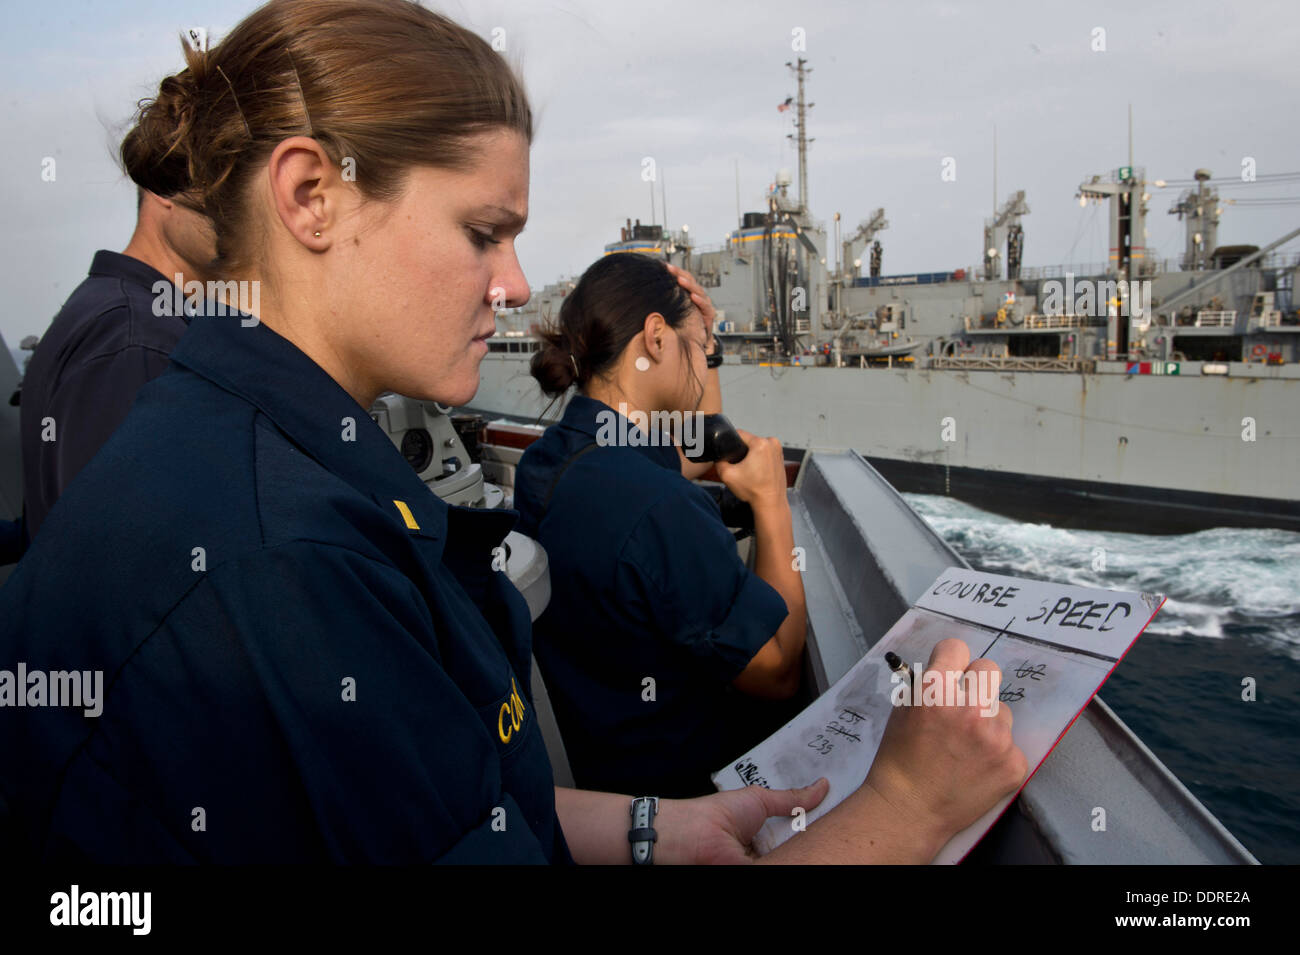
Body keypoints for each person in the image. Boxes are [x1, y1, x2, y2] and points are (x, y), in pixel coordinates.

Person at [0, 0, 1025, 864]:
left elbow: (431, 795)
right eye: (481, 231)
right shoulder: (286, 560)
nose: (519, 285)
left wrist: (653, 826)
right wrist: (906, 807)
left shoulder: (231, 441)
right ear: (312, 196)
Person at [513, 252, 808, 797]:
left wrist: (705, 346)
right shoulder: (661, 508)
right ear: (656, 338)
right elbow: (778, 672)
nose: (704, 355)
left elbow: (699, 440)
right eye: (696, 345)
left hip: (598, 756)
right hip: (683, 790)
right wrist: (772, 505)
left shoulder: (550, 460)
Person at [17, 182, 216, 548]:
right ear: (163, 186)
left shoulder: (112, 310)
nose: (250, 210)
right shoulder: (137, 340)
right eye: (228, 185)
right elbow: (126, 554)